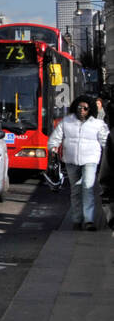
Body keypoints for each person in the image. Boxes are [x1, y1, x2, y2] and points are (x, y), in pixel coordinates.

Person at [48, 95, 109, 231]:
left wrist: (109, 153)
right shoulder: (66, 121)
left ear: (90, 109)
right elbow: (55, 138)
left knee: (87, 188)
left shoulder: (98, 124)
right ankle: (77, 219)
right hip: (70, 160)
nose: (82, 110)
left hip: (90, 160)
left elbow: (106, 141)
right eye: (79, 107)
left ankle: (89, 220)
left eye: (85, 108)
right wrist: (53, 148)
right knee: (75, 191)